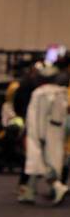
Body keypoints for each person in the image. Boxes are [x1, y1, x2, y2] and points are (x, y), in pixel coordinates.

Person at [18, 63, 69, 205]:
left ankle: (58, 186)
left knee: (40, 163)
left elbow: (36, 117)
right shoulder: (61, 93)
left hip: (40, 134)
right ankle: (29, 192)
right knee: (42, 164)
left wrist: (38, 137)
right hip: (56, 134)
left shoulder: (40, 94)